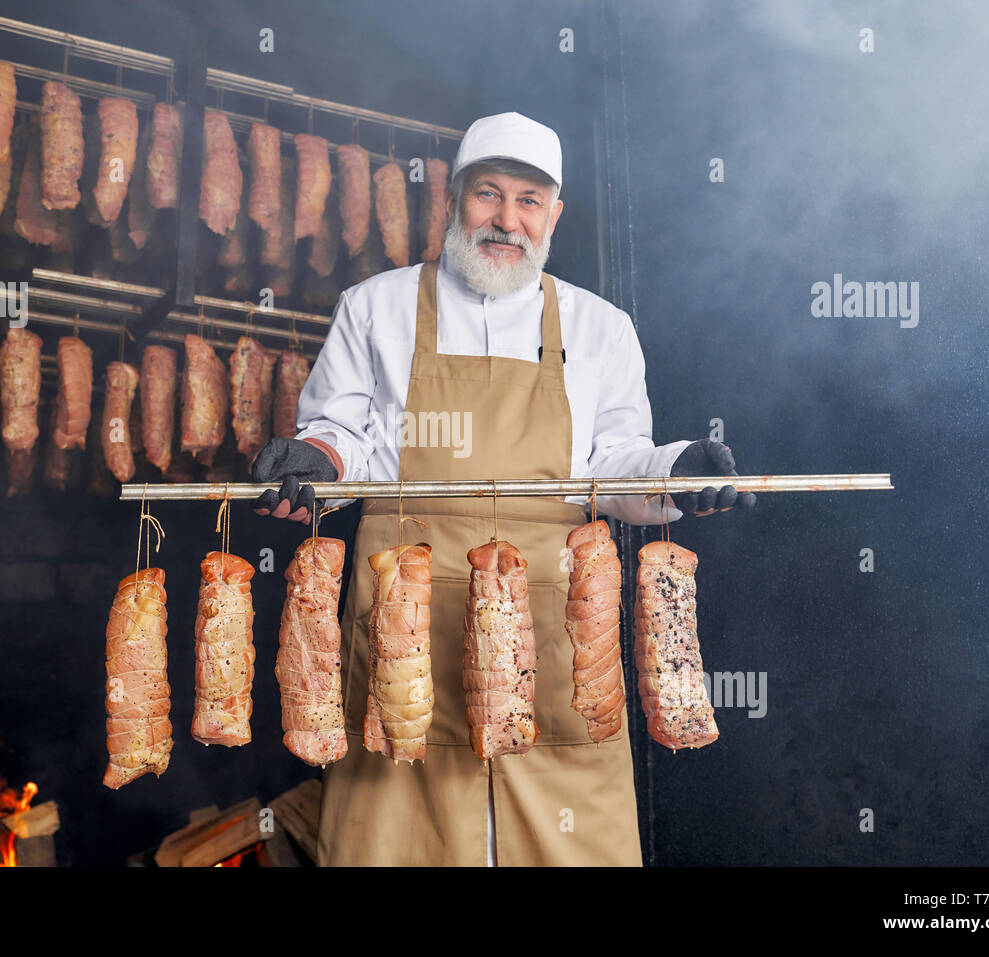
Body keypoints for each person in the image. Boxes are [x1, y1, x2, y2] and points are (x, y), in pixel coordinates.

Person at [250, 112, 755, 866]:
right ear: (453, 201)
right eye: (488, 194)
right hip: (404, 660)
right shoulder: (376, 307)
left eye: (528, 200)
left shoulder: (600, 327)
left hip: (551, 662)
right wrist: (317, 459)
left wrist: (679, 468)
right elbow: (345, 438)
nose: (506, 218)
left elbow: (618, 462)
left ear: (553, 216)